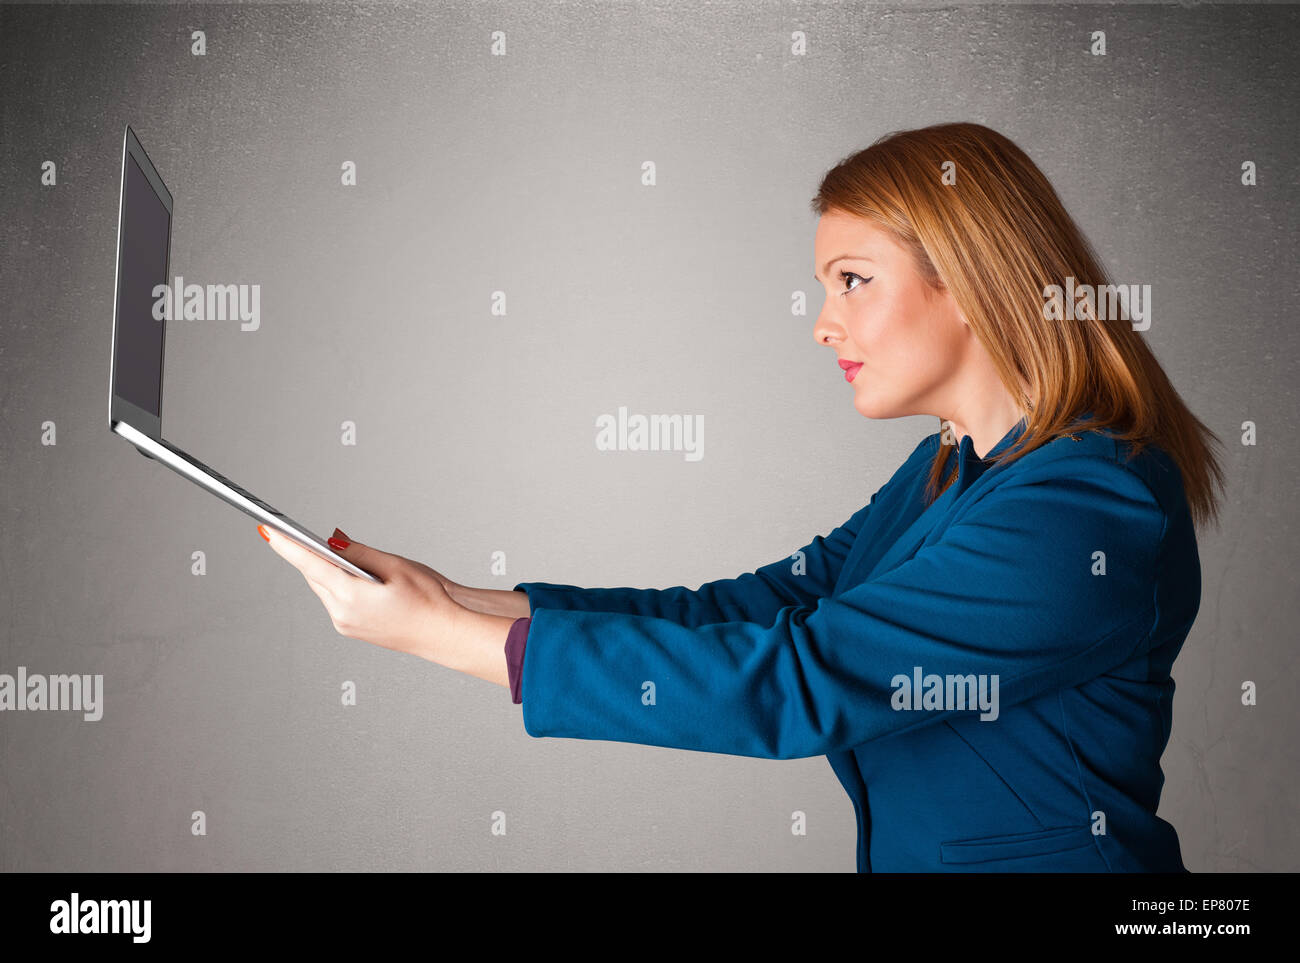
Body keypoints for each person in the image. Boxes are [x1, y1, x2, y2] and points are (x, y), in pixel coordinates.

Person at [260, 122, 1224, 872]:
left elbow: (798, 679)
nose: (822, 324)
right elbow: (755, 610)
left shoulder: (1086, 504)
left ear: (969, 280)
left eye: (853, 281)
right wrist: (463, 598)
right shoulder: (954, 469)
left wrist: (441, 639)